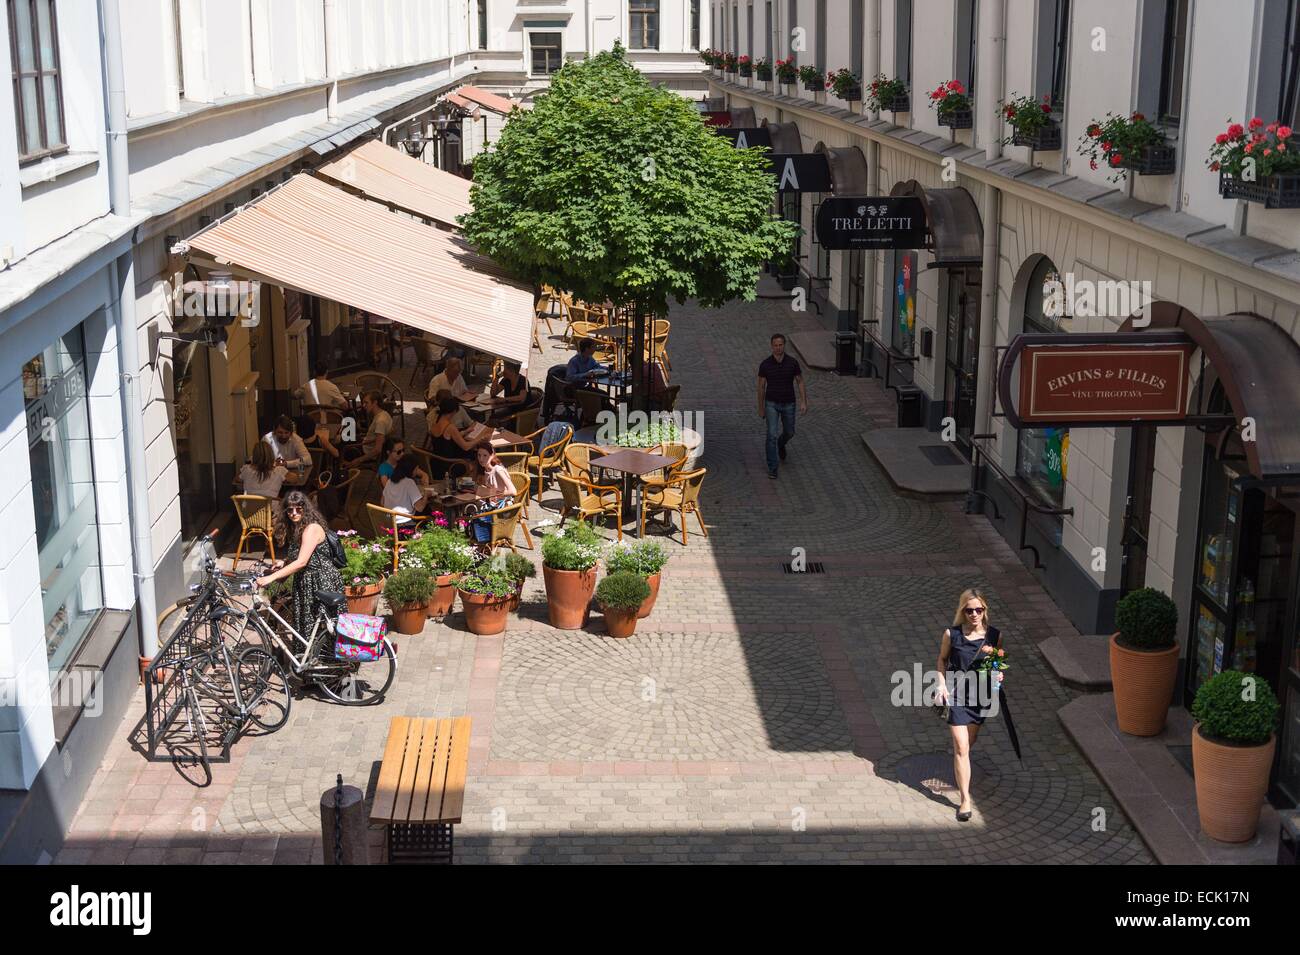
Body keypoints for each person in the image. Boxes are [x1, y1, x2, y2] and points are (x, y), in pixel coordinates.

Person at [935, 589, 1003, 822]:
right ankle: (965, 799)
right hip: (956, 697)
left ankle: (960, 764)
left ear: (985, 610)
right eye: (969, 610)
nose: (974, 614)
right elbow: (942, 660)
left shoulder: (994, 635)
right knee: (962, 747)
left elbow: (996, 662)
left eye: (979, 610)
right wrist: (941, 685)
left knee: (969, 743)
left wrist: (997, 675)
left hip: (980, 698)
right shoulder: (951, 634)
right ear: (962, 611)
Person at [256, 491, 346, 650]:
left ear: (306, 509)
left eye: (298, 509)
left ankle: (329, 667)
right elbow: (300, 556)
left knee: (321, 626)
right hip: (305, 581)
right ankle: (307, 663)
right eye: (290, 510)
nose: (294, 513)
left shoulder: (311, 528)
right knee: (306, 624)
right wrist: (283, 563)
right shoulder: (297, 528)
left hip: (320, 580)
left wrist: (270, 578)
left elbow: (302, 561)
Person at [756, 333, 807, 480]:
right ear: (771, 346)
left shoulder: (792, 363)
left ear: (784, 345)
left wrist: (804, 401)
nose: (778, 348)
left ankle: (781, 443)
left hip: (789, 403)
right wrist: (761, 407)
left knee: (790, 432)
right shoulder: (765, 365)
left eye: (781, 345)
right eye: (775, 345)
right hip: (771, 403)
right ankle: (773, 467)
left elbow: (800, 381)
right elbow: (761, 387)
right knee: (771, 434)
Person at [469, 445, 515, 547]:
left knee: (471, 509)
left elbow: (513, 491)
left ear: (492, 455)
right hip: (493, 504)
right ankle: (476, 538)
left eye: (485, 455)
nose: (481, 459)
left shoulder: (498, 469)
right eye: (479, 455)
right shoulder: (485, 471)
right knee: (469, 505)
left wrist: (494, 494)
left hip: (502, 509)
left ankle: (481, 540)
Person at [426, 396, 478, 478]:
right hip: (449, 465)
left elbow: (445, 440)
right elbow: (466, 446)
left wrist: (466, 431)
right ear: (453, 412)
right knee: (475, 463)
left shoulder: (434, 424)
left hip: (436, 463)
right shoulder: (450, 427)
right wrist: (480, 439)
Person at [342, 391, 393, 464]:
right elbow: (391, 430)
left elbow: (377, 450)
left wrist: (358, 460)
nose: (363, 405)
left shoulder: (380, 421)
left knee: (339, 449)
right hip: (366, 443)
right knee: (349, 421)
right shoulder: (385, 414)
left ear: (375, 403)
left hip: (363, 451)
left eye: (366, 403)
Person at [381, 455, 431, 525]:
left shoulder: (389, 481)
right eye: (416, 469)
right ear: (410, 470)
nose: (416, 472)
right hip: (406, 524)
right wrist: (426, 493)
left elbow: (382, 502)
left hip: (390, 524)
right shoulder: (409, 482)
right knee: (428, 511)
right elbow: (420, 508)